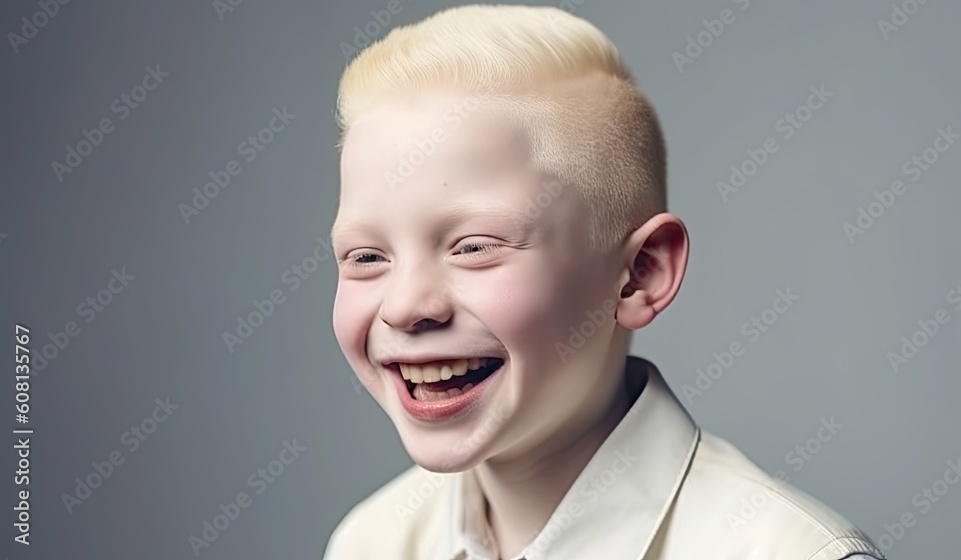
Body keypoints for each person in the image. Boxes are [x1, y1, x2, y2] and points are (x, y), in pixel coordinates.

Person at [325, 4, 885, 559]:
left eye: (474, 248)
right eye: (367, 257)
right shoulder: (369, 543)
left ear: (642, 274)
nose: (404, 306)